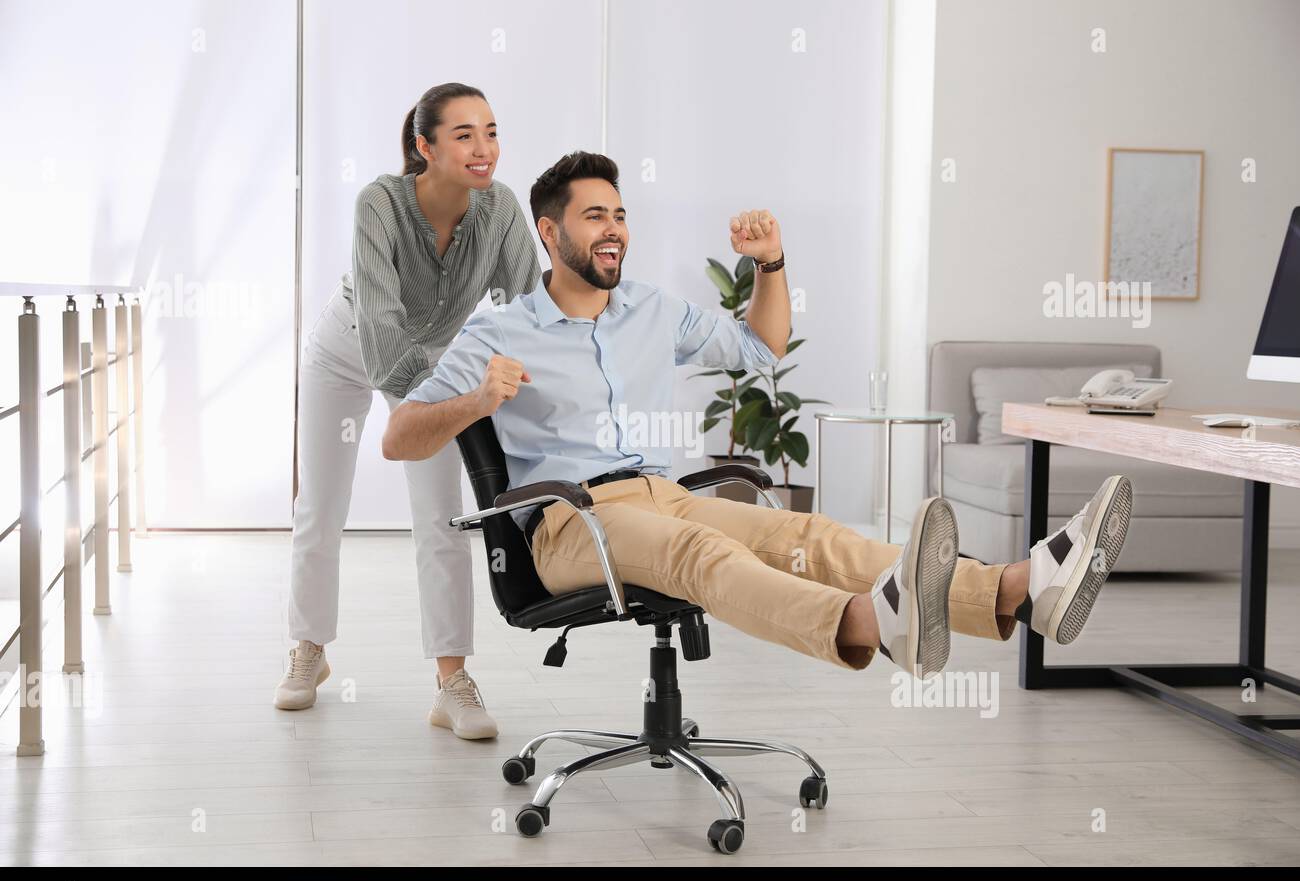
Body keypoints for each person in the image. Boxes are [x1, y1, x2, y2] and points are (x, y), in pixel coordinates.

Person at [380, 151, 1132, 679]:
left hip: (659, 495)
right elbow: (398, 439)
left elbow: (761, 348)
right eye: (592, 217)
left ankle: (1015, 589)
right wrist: (479, 399)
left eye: (619, 214)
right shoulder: (498, 330)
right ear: (549, 233)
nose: (612, 230)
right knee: (706, 561)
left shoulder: (649, 310)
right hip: (568, 522)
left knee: (800, 533)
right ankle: (875, 624)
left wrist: (769, 265)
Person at [274, 83, 540, 739]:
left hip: (433, 360)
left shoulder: (501, 210)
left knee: (442, 515)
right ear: (424, 147)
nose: (485, 148)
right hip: (349, 347)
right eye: (464, 135)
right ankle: (308, 649)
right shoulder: (380, 205)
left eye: (492, 131)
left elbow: (526, 305)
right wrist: (429, 408)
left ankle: (452, 683)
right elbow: (382, 326)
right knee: (320, 506)